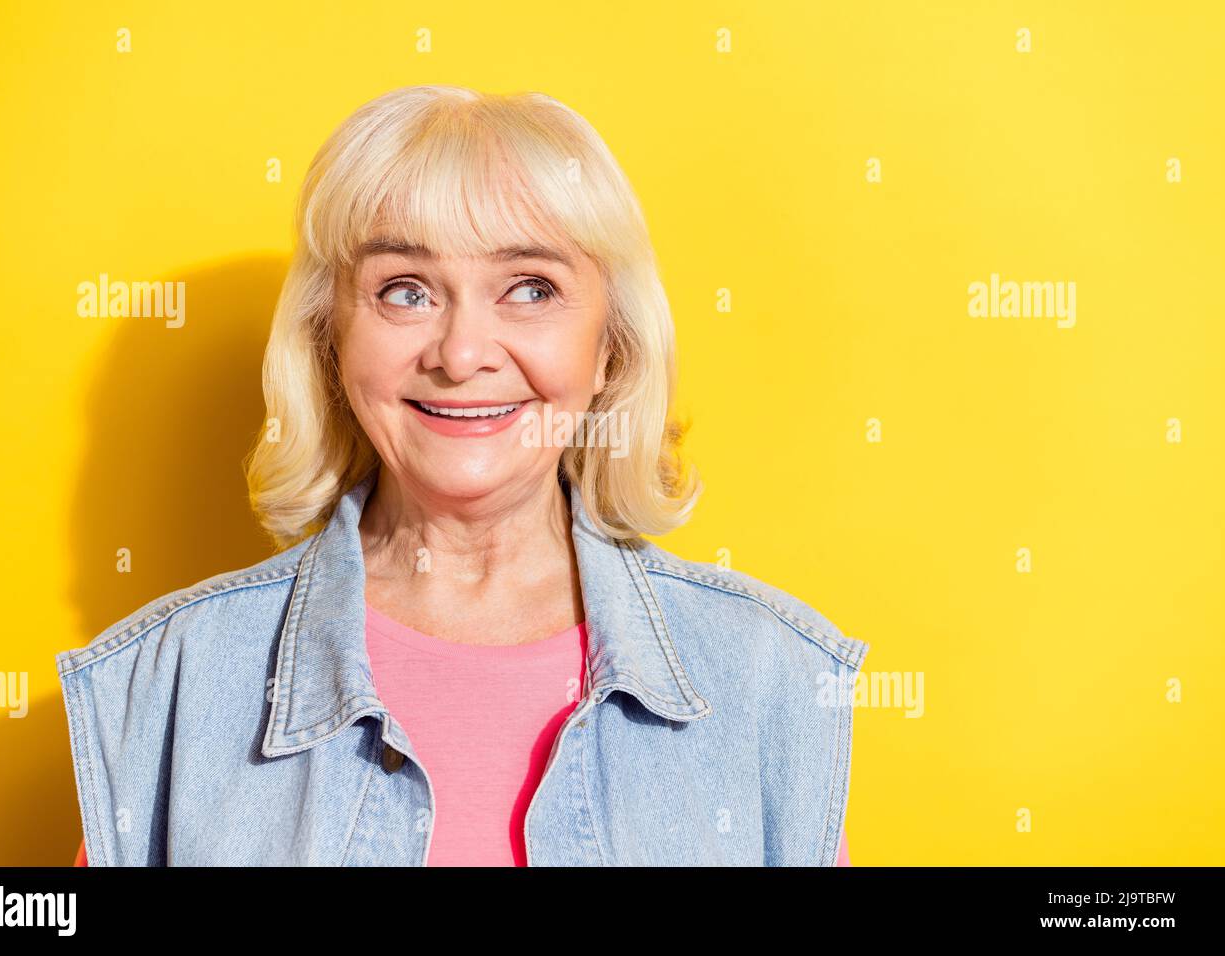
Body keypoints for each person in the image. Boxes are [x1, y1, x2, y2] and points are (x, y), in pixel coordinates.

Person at [56, 84, 868, 866]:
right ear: (329, 341)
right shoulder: (173, 680)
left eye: (530, 288)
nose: (461, 353)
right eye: (405, 291)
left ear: (610, 346)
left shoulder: (769, 678)